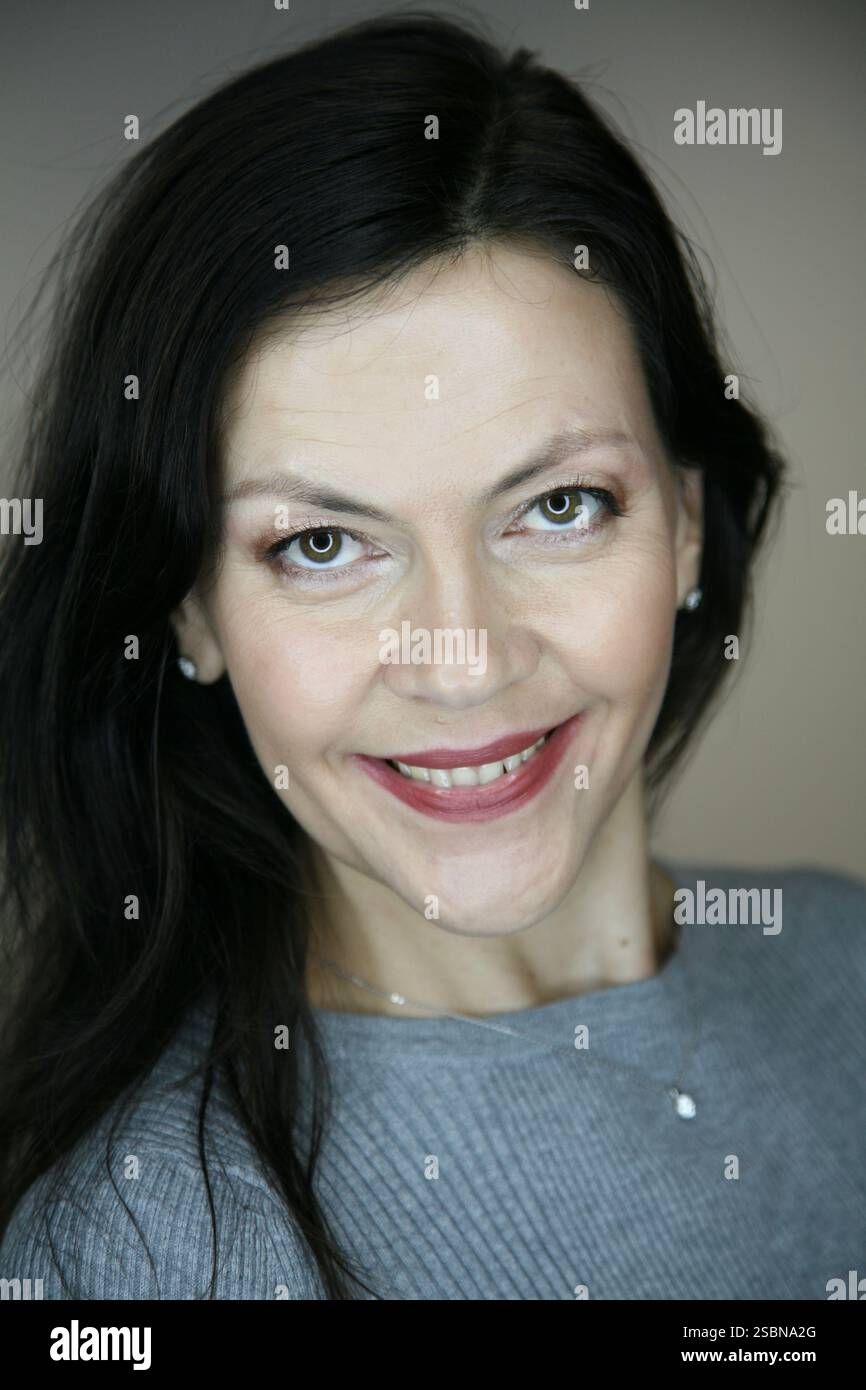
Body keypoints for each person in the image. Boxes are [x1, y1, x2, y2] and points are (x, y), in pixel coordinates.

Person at [0, 12, 863, 1301]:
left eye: (558, 506)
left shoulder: (848, 960)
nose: (462, 664)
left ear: (687, 523)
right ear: (187, 611)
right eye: (322, 545)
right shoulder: (139, 1255)